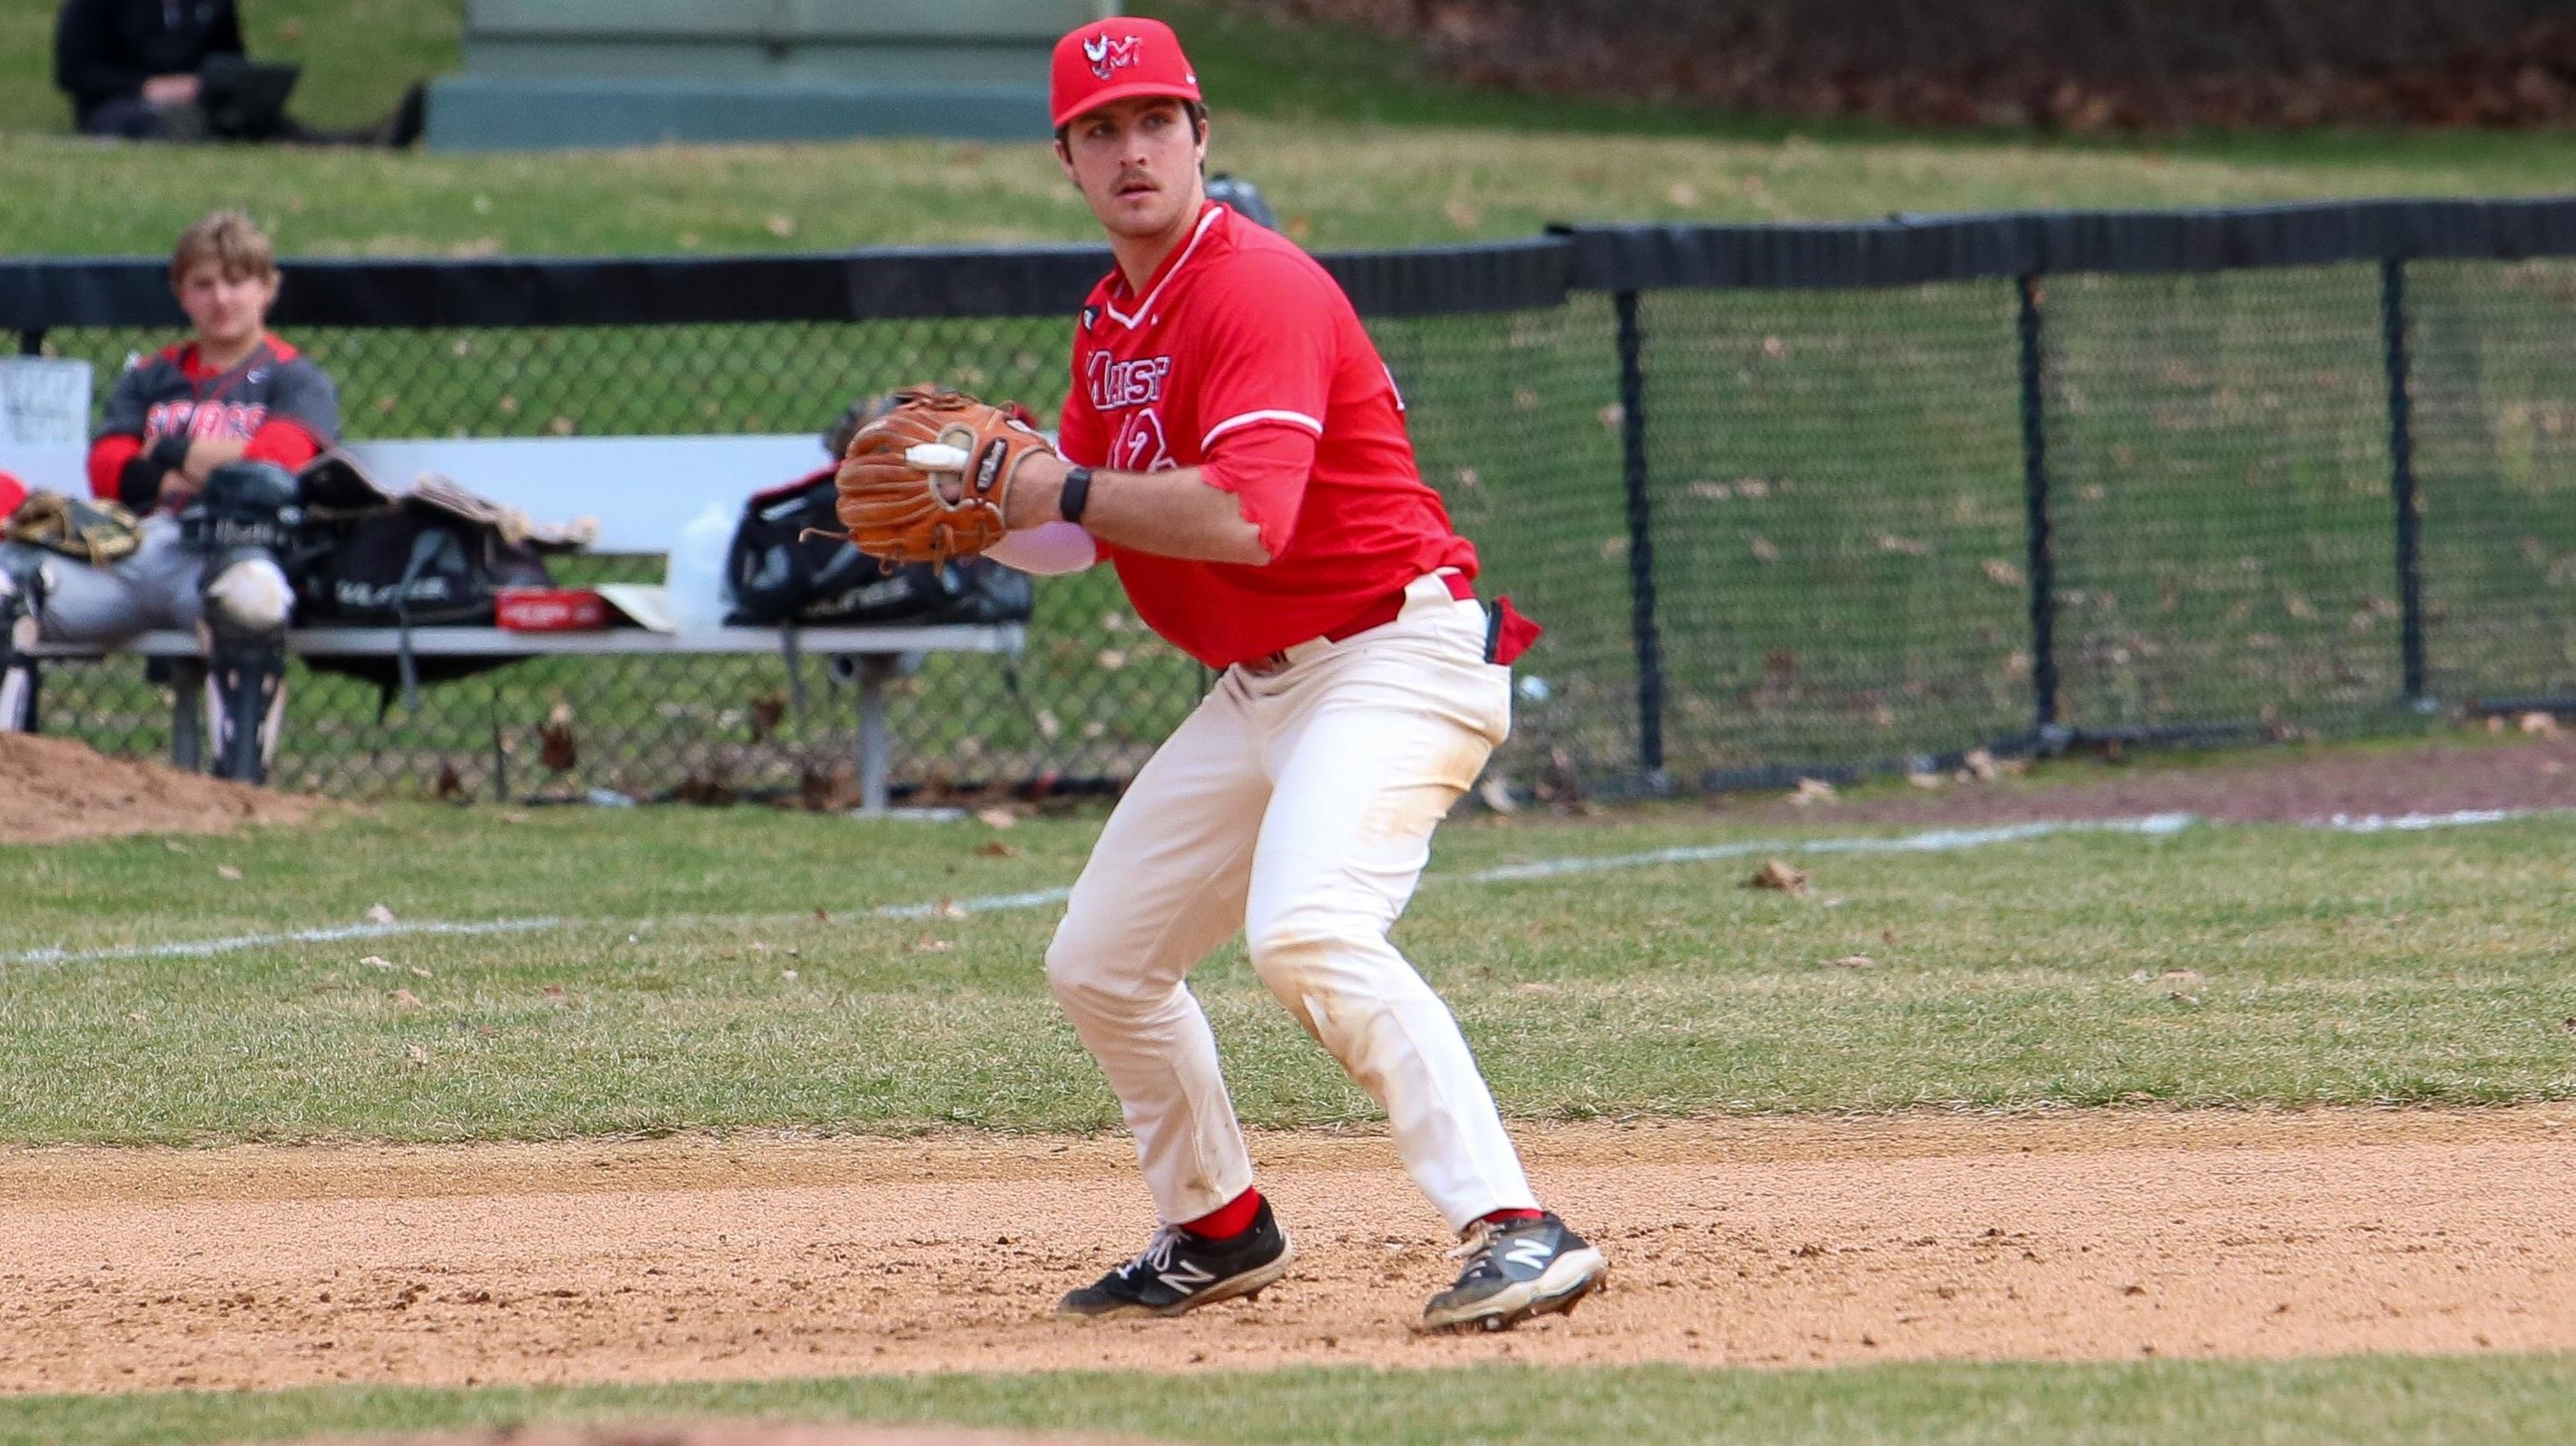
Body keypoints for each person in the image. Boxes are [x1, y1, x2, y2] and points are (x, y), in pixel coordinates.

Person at [973, 17, 1605, 1333]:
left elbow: (1244, 518)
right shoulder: (1113, 320)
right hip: (1264, 686)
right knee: (1101, 959)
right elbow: (1079, 530)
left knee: (1308, 931)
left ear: (1202, 137)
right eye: (1100, 131)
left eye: (1155, 121)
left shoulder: (1254, 287)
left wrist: (1065, 484)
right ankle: (1217, 1225)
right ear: (1067, 162)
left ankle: (1517, 1223)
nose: (1130, 149)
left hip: (1391, 653)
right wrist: (986, 510)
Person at [0, 209, 339, 783]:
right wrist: (218, 463)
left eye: (237, 282)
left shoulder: (293, 377)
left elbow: (273, 468)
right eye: (204, 284)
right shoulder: (153, 375)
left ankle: (239, 792)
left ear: (268, 288)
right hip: (131, 553)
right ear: (181, 292)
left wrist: (168, 450)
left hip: (227, 550)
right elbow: (109, 470)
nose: (221, 298)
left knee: (252, 598)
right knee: (4, 589)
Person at [52, 0, 423, 145]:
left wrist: (241, 85)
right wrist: (147, 87)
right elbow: (73, 72)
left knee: (266, 122)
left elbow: (231, 59)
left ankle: (364, 142)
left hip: (205, 100)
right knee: (173, 123)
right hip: (123, 106)